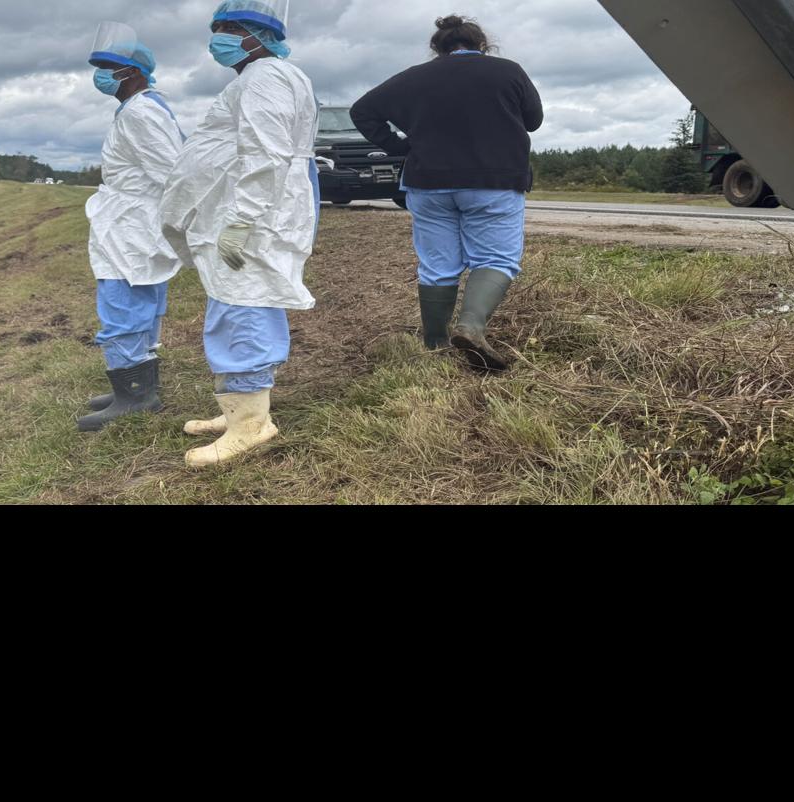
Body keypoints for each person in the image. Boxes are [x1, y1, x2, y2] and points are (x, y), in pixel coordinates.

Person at [160, 0, 320, 467]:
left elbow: (265, 153)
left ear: (258, 34)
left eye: (230, 28)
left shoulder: (266, 76)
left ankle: (252, 424)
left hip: (251, 216)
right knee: (239, 303)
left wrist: (241, 221)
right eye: (217, 28)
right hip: (250, 212)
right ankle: (240, 411)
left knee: (242, 307)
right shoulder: (266, 76)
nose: (219, 37)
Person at [351, 14, 542, 372]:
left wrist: (398, 146)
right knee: (496, 259)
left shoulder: (413, 77)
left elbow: (362, 111)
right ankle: (470, 327)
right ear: (481, 45)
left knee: (438, 266)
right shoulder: (508, 71)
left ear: (437, 49)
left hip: (428, 182)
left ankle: (435, 345)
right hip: (494, 180)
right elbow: (532, 121)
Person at [78, 22, 185, 432]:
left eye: (110, 65)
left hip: (131, 227)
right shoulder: (138, 109)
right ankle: (137, 386)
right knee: (138, 301)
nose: (102, 74)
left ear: (134, 71)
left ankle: (134, 393)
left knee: (122, 304)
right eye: (100, 64)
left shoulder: (141, 112)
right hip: (131, 224)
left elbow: (171, 172)